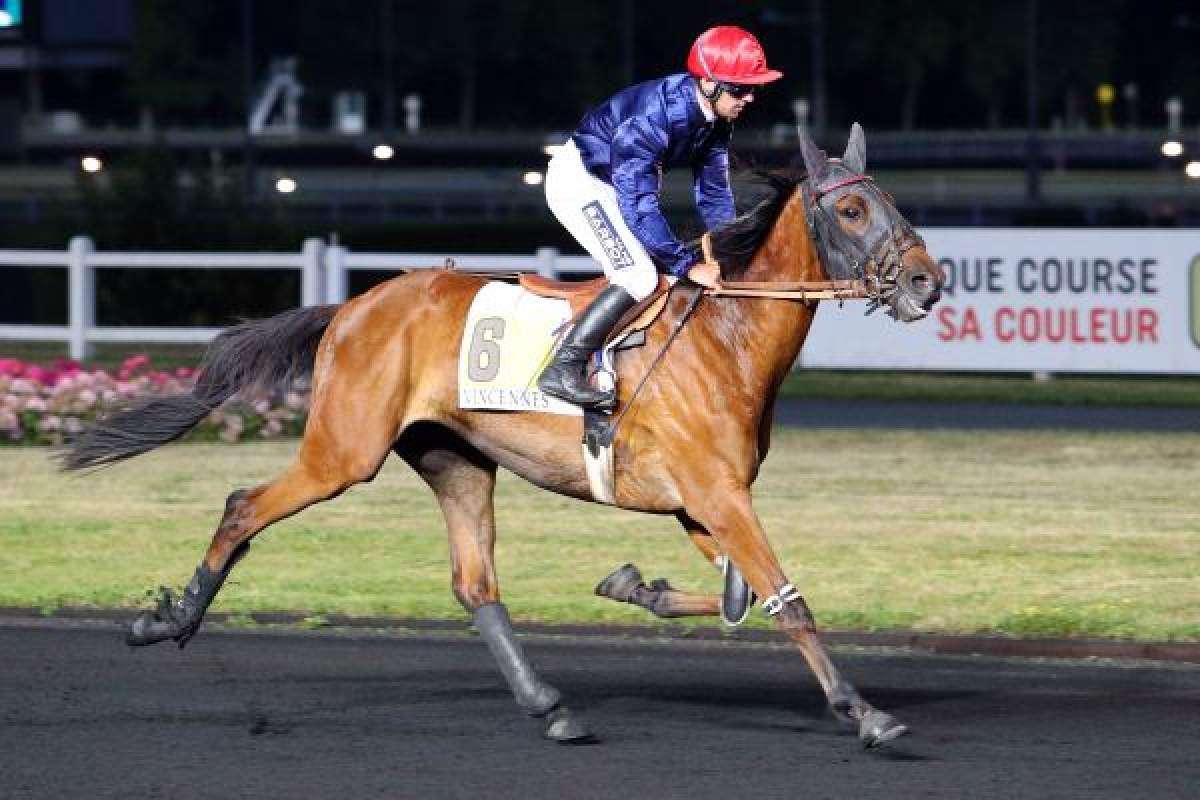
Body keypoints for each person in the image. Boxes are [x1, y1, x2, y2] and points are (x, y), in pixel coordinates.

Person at [538, 25, 783, 410]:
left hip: (614, 185)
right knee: (637, 275)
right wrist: (689, 266)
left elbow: (714, 192)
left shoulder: (718, 120)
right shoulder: (654, 117)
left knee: (662, 272)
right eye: (739, 89)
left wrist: (727, 255)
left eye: (754, 89)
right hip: (580, 182)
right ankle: (561, 370)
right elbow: (639, 206)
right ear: (707, 83)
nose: (749, 98)